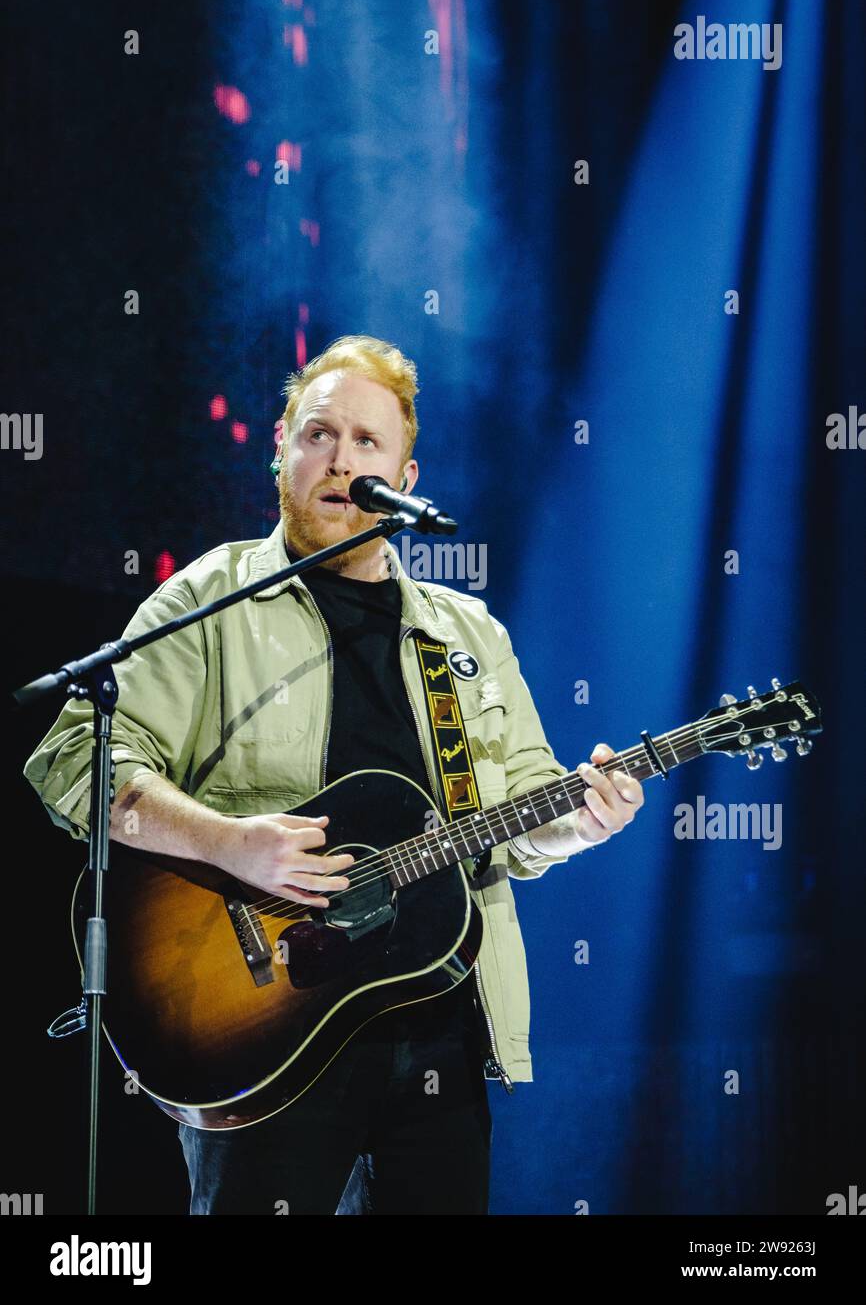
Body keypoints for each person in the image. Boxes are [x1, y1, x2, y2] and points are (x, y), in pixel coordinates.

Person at [23, 334, 644, 1214]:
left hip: (439, 1025)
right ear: (281, 445)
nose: (339, 460)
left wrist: (583, 818)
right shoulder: (210, 596)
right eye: (318, 434)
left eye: (365, 443)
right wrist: (231, 844)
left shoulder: (468, 637)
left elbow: (519, 810)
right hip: (263, 1022)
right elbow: (75, 759)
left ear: (406, 476)